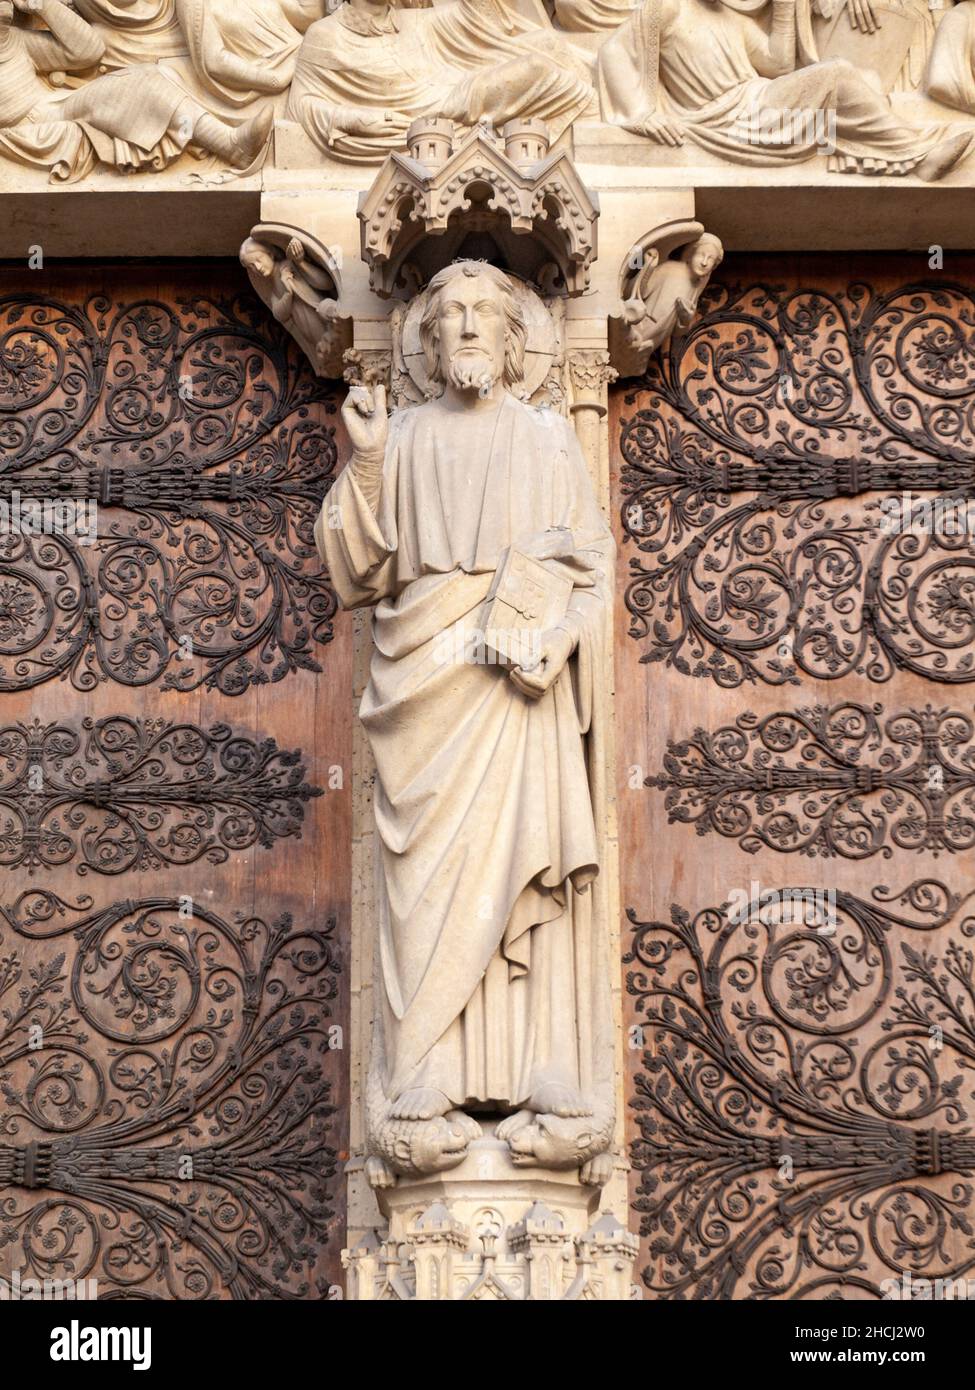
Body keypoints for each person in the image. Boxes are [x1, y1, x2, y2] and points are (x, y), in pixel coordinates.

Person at [316, 261, 615, 1180]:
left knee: (532, 872)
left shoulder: (547, 438)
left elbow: (594, 564)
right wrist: (365, 458)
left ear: (516, 341)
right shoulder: (398, 438)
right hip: (427, 680)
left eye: (485, 314)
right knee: (426, 880)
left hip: (517, 684)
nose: (467, 329)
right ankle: (425, 1071)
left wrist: (560, 638)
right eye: (446, 318)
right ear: (428, 344)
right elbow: (355, 569)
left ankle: (544, 1067)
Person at [597, 0, 972, 179]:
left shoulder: (733, 20)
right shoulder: (665, 9)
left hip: (758, 102)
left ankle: (904, 148)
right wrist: (642, 113)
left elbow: (777, 64)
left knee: (861, 83)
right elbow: (616, 49)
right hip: (733, 115)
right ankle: (918, 152)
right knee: (837, 73)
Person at [287, 0, 593, 160]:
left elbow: (473, 19)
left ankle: (601, 128)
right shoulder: (325, 35)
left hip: (453, 93)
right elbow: (302, 105)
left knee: (546, 49)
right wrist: (356, 119)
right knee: (539, 69)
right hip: (432, 110)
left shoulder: (411, 21)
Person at [0, 0, 271, 180]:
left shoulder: (13, 42)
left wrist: (45, 7)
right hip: (38, 120)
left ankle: (228, 142)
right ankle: (230, 144)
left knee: (154, 77)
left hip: (59, 107)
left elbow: (87, 51)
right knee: (148, 81)